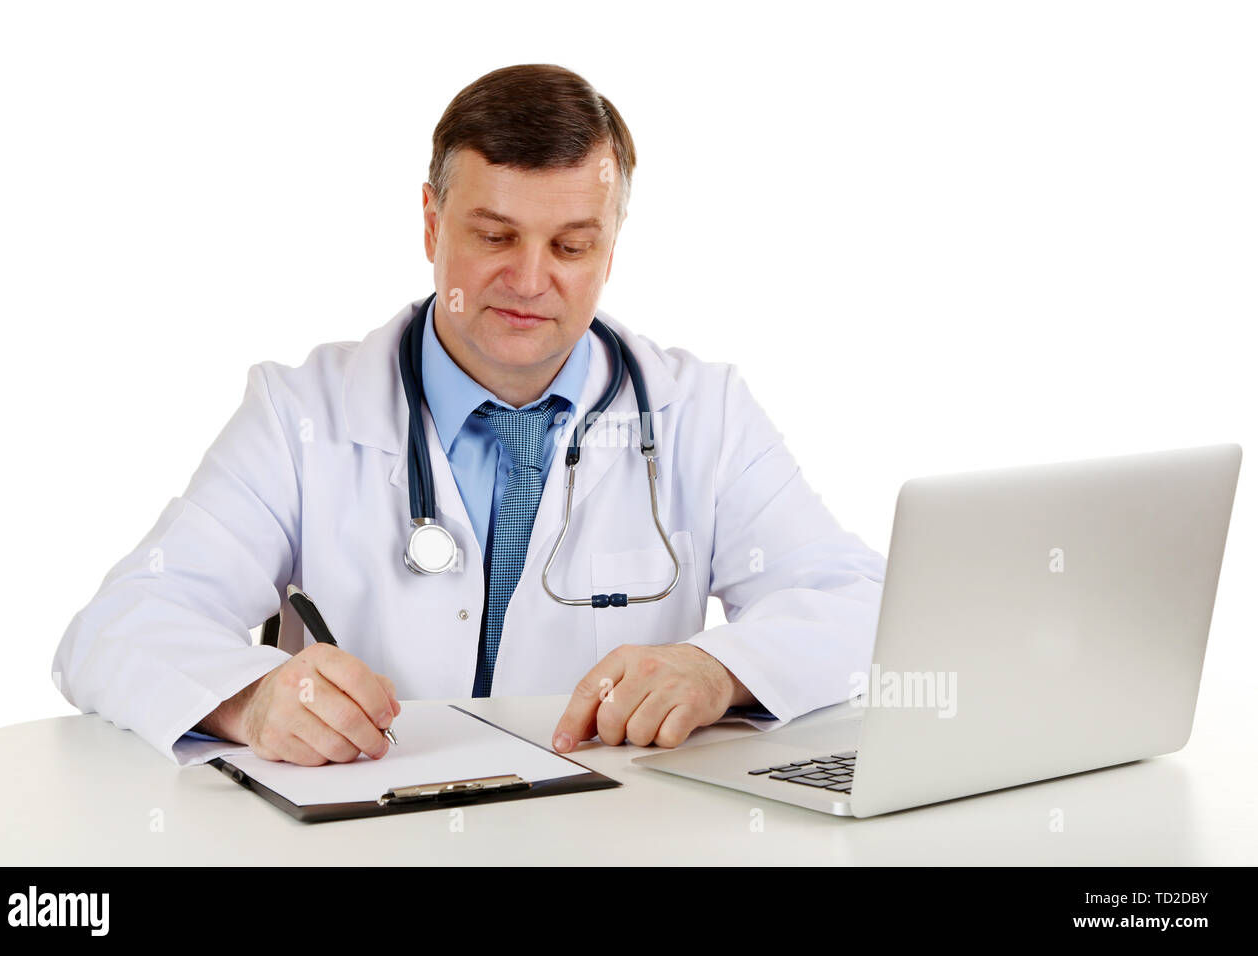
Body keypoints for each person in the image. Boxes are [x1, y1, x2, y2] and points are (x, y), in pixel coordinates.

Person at [52, 63, 886, 767]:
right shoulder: (302, 414)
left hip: (611, 842)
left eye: (570, 246)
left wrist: (717, 671)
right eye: (494, 236)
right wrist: (249, 699)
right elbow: (118, 627)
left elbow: (862, 604)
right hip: (362, 842)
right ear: (430, 221)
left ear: (612, 243)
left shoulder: (703, 414)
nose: (529, 281)